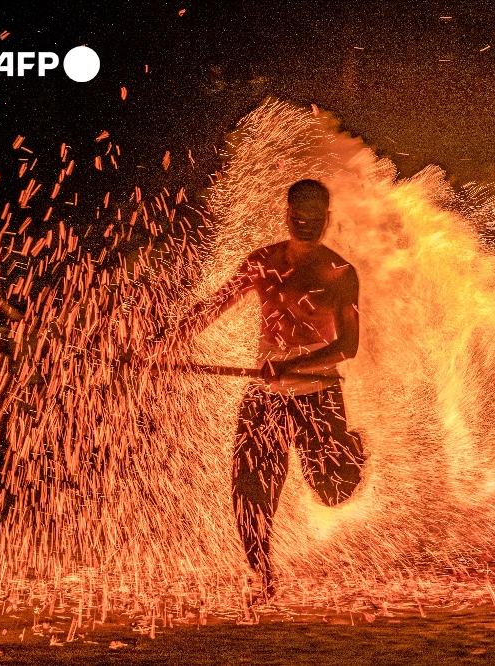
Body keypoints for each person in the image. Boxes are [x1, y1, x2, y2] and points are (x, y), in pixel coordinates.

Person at [156, 179, 365, 595]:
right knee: (248, 486)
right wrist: (164, 343)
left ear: (328, 218)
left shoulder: (341, 273)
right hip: (265, 396)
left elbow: (349, 346)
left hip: (318, 395)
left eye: (314, 219)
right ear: (286, 214)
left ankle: (353, 450)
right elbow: (213, 305)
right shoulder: (262, 262)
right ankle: (263, 573)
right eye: (297, 218)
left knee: (332, 491)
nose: (305, 225)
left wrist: (295, 366)